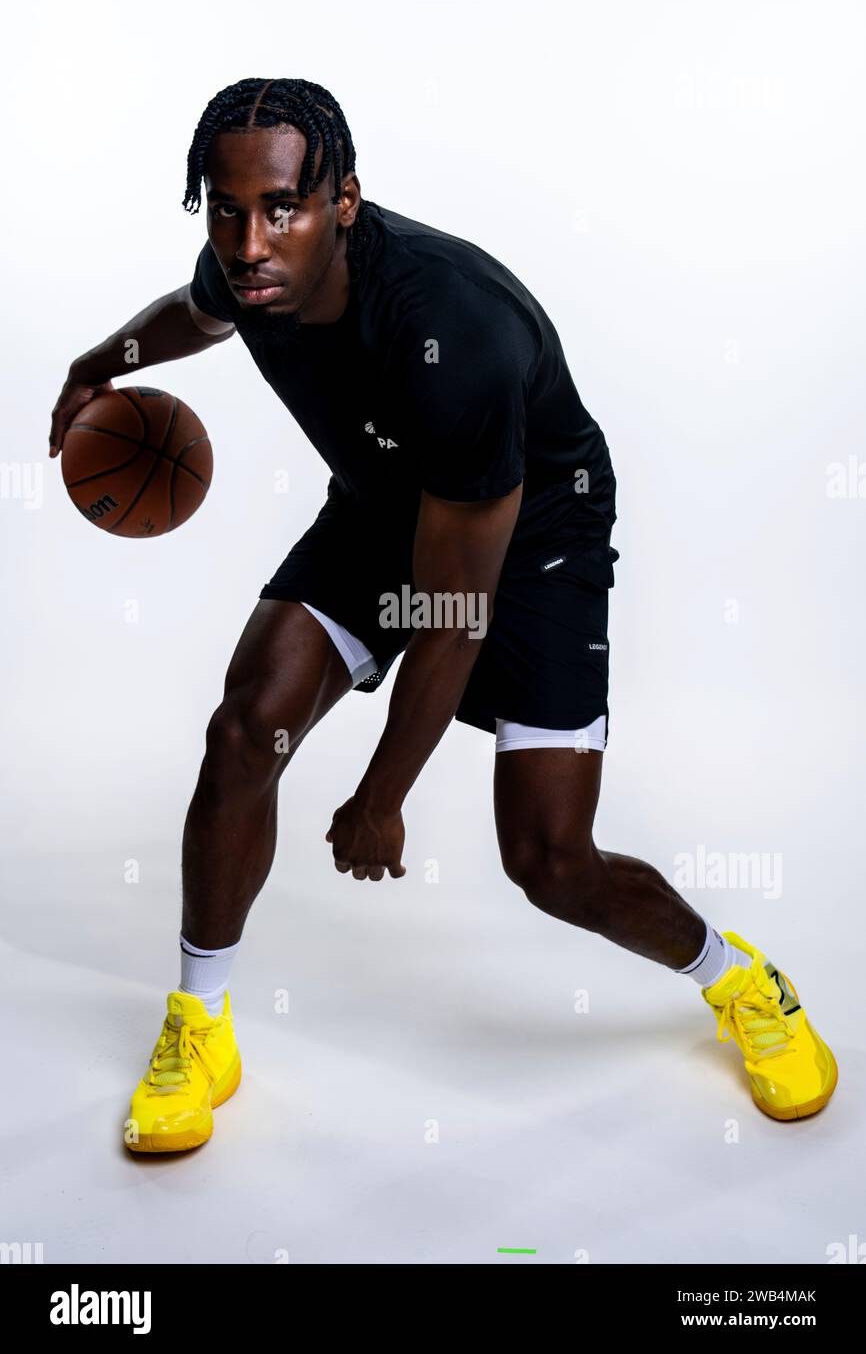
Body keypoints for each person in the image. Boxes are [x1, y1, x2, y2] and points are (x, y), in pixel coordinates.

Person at [49, 78, 837, 1151]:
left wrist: (381, 795)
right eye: (224, 210)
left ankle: (738, 980)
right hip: (389, 502)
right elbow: (197, 311)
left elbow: (452, 610)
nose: (248, 239)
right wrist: (105, 362)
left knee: (549, 860)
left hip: (531, 535)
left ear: (342, 203)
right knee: (244, 732)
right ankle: (201, 1022)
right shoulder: (245, 271)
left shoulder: (453, 330)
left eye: (280, 206)